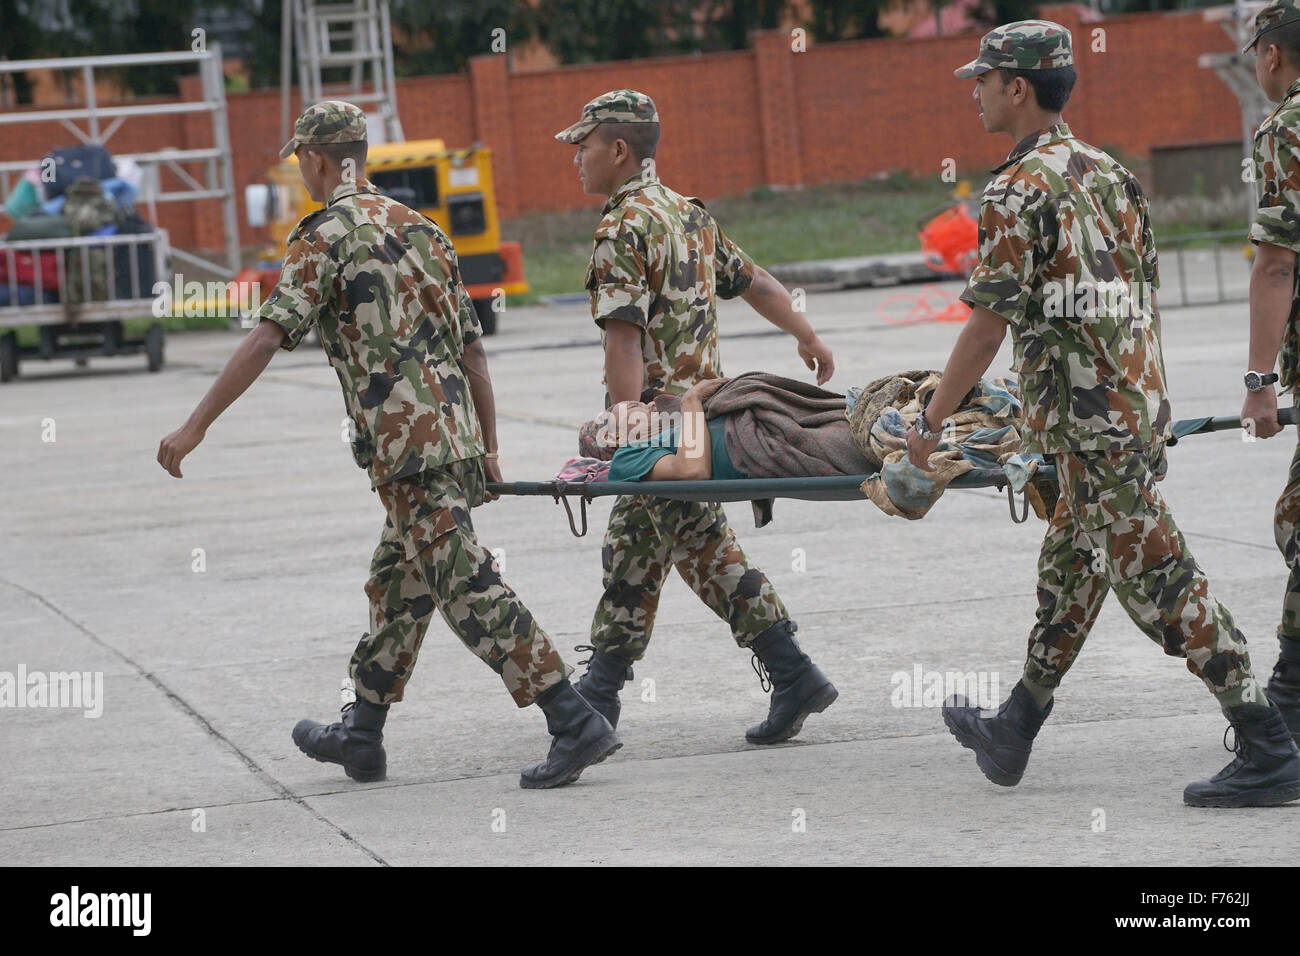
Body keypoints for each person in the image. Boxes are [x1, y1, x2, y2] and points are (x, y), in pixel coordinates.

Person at [157, 101, 619, 790]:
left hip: (408, 453)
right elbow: (474, 353)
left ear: (317, 159)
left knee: (467, 587)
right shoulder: (423, 230)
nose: (302, 171)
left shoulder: (323, 236)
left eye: (301, 160)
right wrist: (487, 451)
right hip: (454, 443)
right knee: (399, 587)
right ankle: (362, 733)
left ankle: (571, 718)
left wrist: (194, 426)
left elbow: (264, 338)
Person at [907, 22, 1300, 806]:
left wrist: (930, 424)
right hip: (1128, 410)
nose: (975, 91)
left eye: (982, 79)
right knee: (1072, 568)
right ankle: (1015, 726)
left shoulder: (1019, 188)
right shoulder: (1110, 172)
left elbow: (986, 325)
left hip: (1091, 430)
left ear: (1017, 88)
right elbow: (1140, 298)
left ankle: (1267, 744)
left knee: (1162, 581)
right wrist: (1149, 403)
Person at [556, 90, 838, 744]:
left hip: (658, 426)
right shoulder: (688, 216)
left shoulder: (621, 226)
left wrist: (624, 428)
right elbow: (758, 280)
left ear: (619, 150)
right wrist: (807, 334)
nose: (576, 155)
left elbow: (623, 339)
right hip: (703, 422)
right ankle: (790, 671)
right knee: (691, 544)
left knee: (642, 541)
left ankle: (597, 700)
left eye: (585, 143)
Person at [1241, 0, 1300, 746]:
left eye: (1253, 51)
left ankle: (1287, 706)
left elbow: (1277, 262)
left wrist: (1260, 383)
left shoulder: (1284, 130)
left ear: (1274, 55)